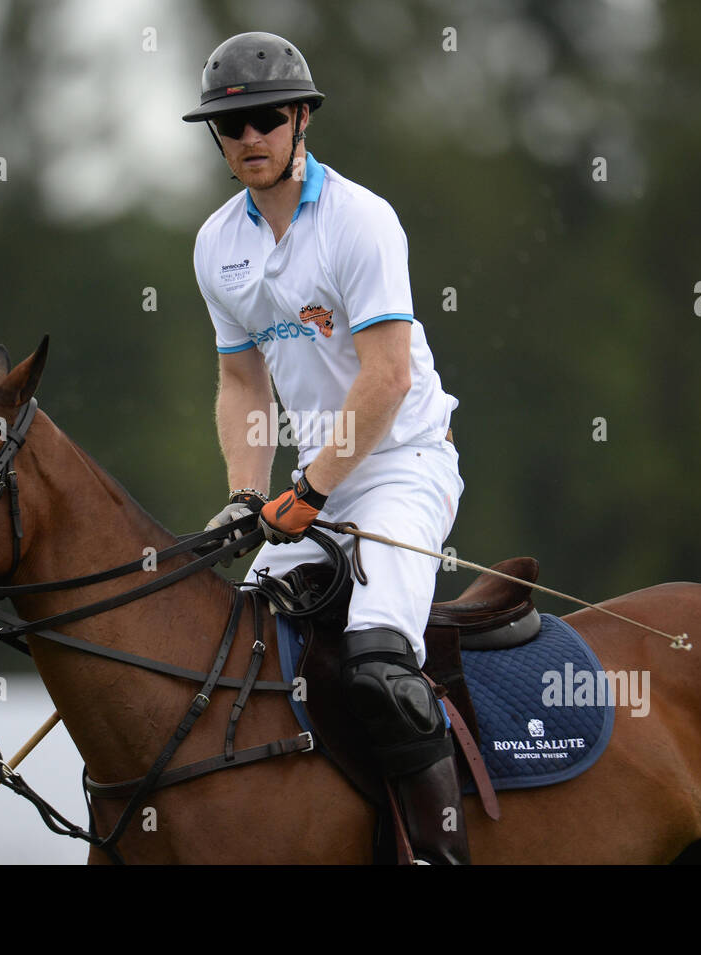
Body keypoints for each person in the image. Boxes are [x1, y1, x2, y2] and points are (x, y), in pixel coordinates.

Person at [185, 32, 468, 864]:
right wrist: (247, 494)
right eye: (229, 126)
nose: (249, 139)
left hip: (401, 464)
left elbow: (384, 379)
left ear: (302, 117)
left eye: (267, 118)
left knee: (379, 662)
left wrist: (309, 490)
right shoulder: (215, 246)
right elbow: (243, 387)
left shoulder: (360, 220)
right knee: (233, 656)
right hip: (315, 485)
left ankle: (443, 857)